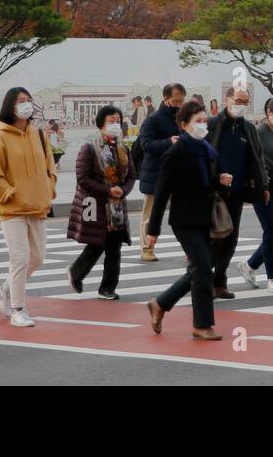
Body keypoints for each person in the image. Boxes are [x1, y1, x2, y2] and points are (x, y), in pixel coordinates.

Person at [145, 100, 231, 340]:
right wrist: (153, 230)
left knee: (199, 268)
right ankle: (202, 325)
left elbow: (203, 184)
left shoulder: (204, 149)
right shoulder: (176, 152)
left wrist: (219, 181)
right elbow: (161, 192)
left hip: (204, 217)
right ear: (183, 125)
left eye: (204, 120)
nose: (203, 125)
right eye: (198, 121)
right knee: (203, 268)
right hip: (184, 220)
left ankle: (160, 304)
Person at [0, 87, 56, 328]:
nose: (26, 105)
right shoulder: (0, 137)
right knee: (20, 258)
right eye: (21, 101)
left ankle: (5, 289)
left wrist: (49, 189)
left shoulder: (38, 135)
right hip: (12, 209)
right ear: (10, 107)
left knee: (38, 258)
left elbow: (49, 168)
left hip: (37, 205)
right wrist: (8, 193)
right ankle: (18, 309)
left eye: (28, 100)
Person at [67, 105, 136, 300]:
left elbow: (131, 175)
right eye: (111, 121)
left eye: (118, 121)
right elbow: (82, 177)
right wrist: (108, 190)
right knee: (97, 242)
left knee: (114, 246)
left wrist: (123, 190)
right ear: (101, 123)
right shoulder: (89, 147)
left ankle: (108, 288)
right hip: (95, 204)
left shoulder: (123, 148)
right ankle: (76, 272)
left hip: (116, 206)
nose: (115, 125)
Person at [206, 87, 268, 299]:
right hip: (213, 192)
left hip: (238, 192)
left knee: (230, 239)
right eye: (238, 100)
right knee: (214, 238)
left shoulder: (248, 128)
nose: (241, 105)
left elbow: (258, 159)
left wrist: (262, 187)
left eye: (245, 102)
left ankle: (220, 281)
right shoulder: (211, 125)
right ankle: (204, 281)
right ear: (227, 99)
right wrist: (214, 179)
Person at [240, 96, 273, 292]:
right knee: (271, 233)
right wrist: (259, 185)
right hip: (263, 190)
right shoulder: (258, 133)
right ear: (268, 113)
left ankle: (250, 265)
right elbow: (252, 161)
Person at [137, 83, 186, 262]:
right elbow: (146, 146)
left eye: (182, 100)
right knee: (150, 214)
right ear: (165, 98)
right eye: (176, 101)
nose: (179, 104)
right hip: (155, 173)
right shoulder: (152, 119)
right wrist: (168, 142)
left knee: (182, 214)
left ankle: (189, 248)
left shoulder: (184, 118)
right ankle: (147, 248)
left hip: (179, 173)